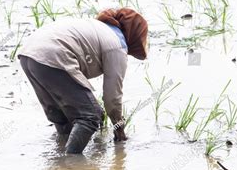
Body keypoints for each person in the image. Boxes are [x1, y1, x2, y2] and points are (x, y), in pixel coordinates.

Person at [18, 8, 148, 154]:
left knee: (62, 116)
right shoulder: (117, 46)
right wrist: (119, 130)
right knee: (90, 115)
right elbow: (112, 98)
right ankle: (72, 164)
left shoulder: (96, 28)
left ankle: (60, 158)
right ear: (135, 35)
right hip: (54, 54)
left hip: (28, 55)